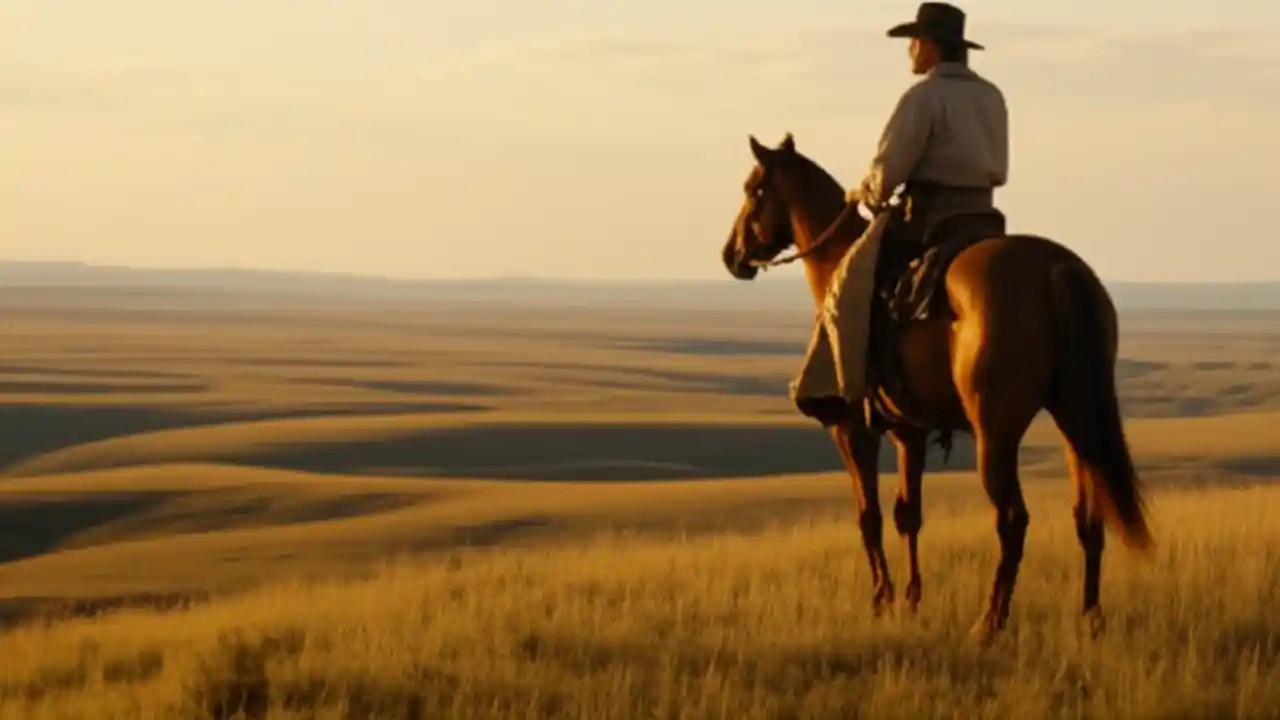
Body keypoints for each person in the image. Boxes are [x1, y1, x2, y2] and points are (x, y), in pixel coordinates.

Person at [789, 2, 1009, 424]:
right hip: (983, 215)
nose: (910, 50)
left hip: (929, 218)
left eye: (913, 41)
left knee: (850, 283)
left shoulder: (923, 97)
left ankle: (851, 386)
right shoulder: (991, 95)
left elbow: (889, 170)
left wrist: (864, 195)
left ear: (929, 46)